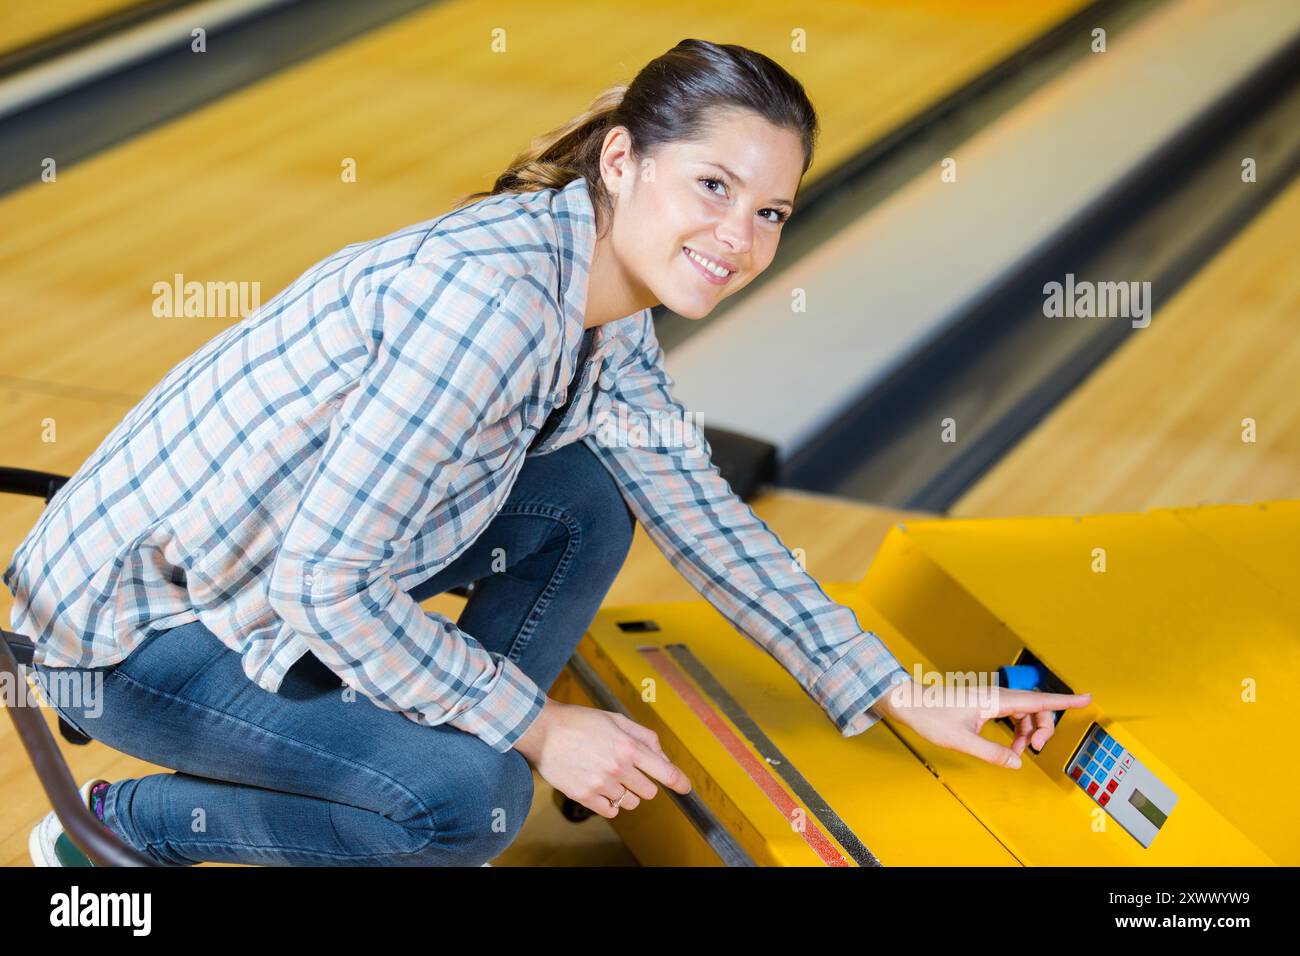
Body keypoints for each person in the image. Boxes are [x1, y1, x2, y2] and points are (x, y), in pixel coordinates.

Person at [11, 38, 1088, 868]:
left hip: (251, 577)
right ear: (622, 160)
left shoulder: (600, 310)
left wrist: (896, 686)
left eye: (770, 211)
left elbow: (703, 515)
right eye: (711, 187)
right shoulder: (493, 303)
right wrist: (536, 725)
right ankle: (122, 829)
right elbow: (322, 582)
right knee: (467, 801)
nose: (740, 239)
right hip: (125, 636)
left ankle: (440, 747)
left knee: (587, 496)